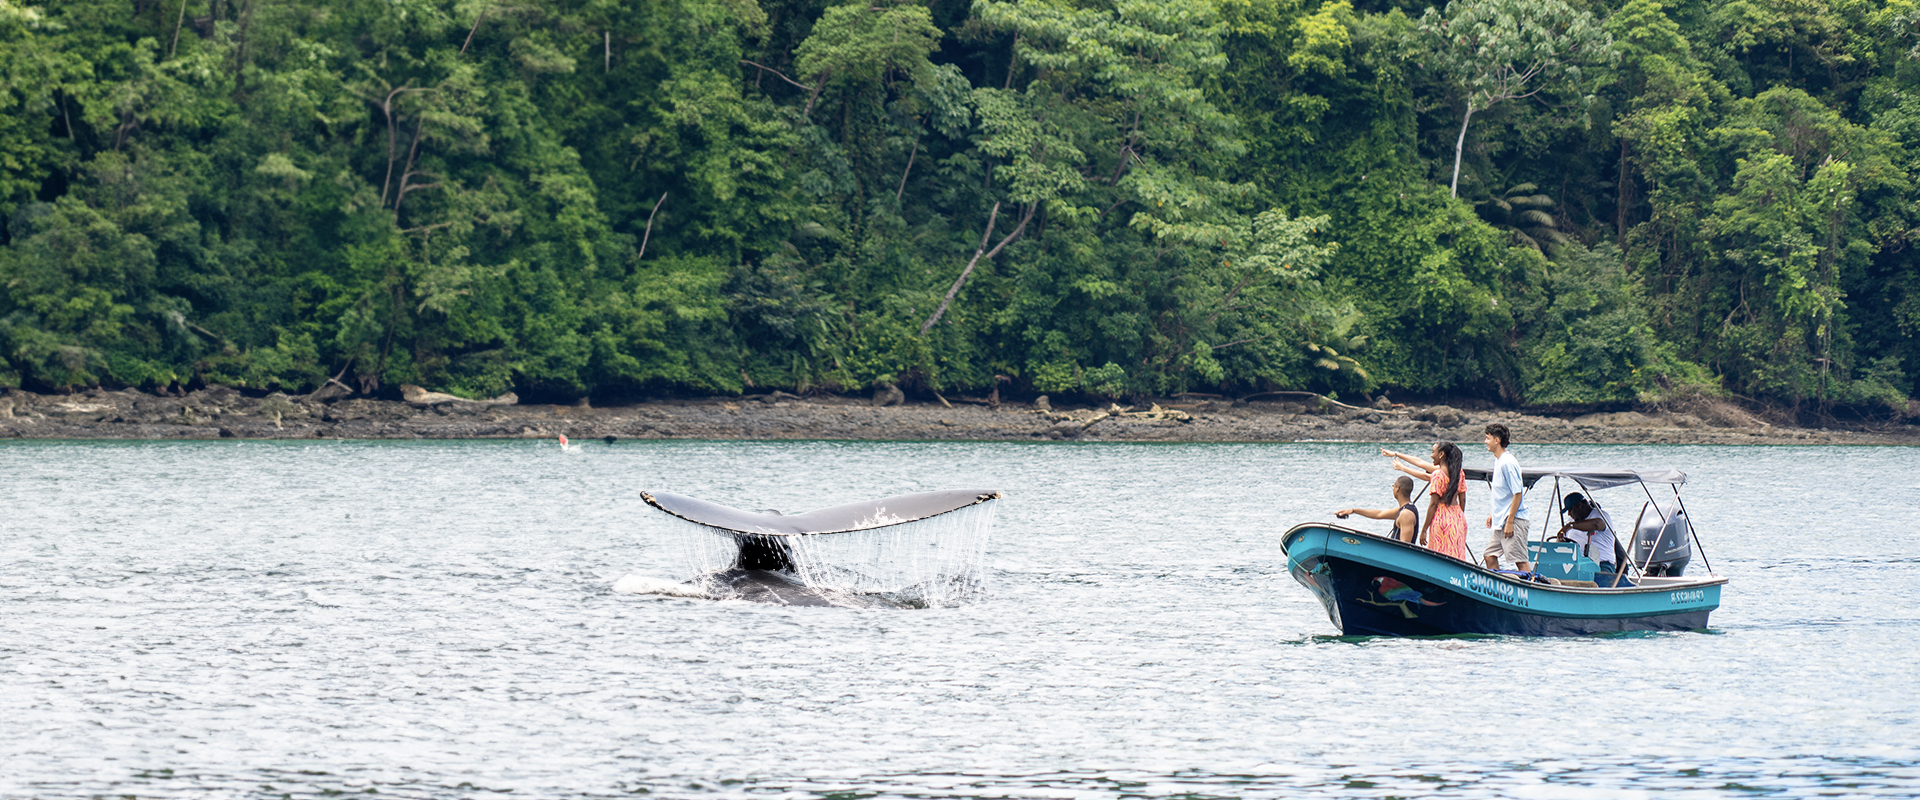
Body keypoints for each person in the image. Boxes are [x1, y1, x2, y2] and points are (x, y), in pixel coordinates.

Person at [1382, 442, 1468, 560]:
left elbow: (1433, 504)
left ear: (1441, 454)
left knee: (1439, 556)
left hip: (1442, 518)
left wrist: (1424, 529)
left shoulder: (1438, 474)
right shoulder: (1459, 473)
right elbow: (1462, 498)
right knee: (1456, 555)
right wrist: (1458, 515)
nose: (1431, 455)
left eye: (1433, 452)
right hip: (1458, 517)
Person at [1481, 423, 1532, 572]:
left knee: (1519, 560)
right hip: (1501, 520)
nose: (1485, 442)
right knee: (1489, 555)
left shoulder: (1507, 463)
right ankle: (1497, 588)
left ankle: (1529, 589)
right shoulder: (1499, 460)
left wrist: (1510, 521)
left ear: (1496, 440)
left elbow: (1517, 493)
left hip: (1514, 520)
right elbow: (1503, 494)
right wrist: (1493, 513)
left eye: (1487, 438)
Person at [1335, 476, 1421, 543]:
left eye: (1393, 486)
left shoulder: (1406, 514)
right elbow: (1379, 514)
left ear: (1397, 489)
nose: (1393, 489)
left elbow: (1405, 545)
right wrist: (1354, 510)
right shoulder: (1404, 509)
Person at [1553, 493, 1618, 574]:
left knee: (1598, 578)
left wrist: (1571, 526)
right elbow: (1561, 541)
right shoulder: (1571, 520)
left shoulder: (1601, 515)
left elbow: (1597, 524)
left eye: (1570, 510)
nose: (1569, 514)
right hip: (1577, 562)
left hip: (1601, 562)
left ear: (1579, 505)